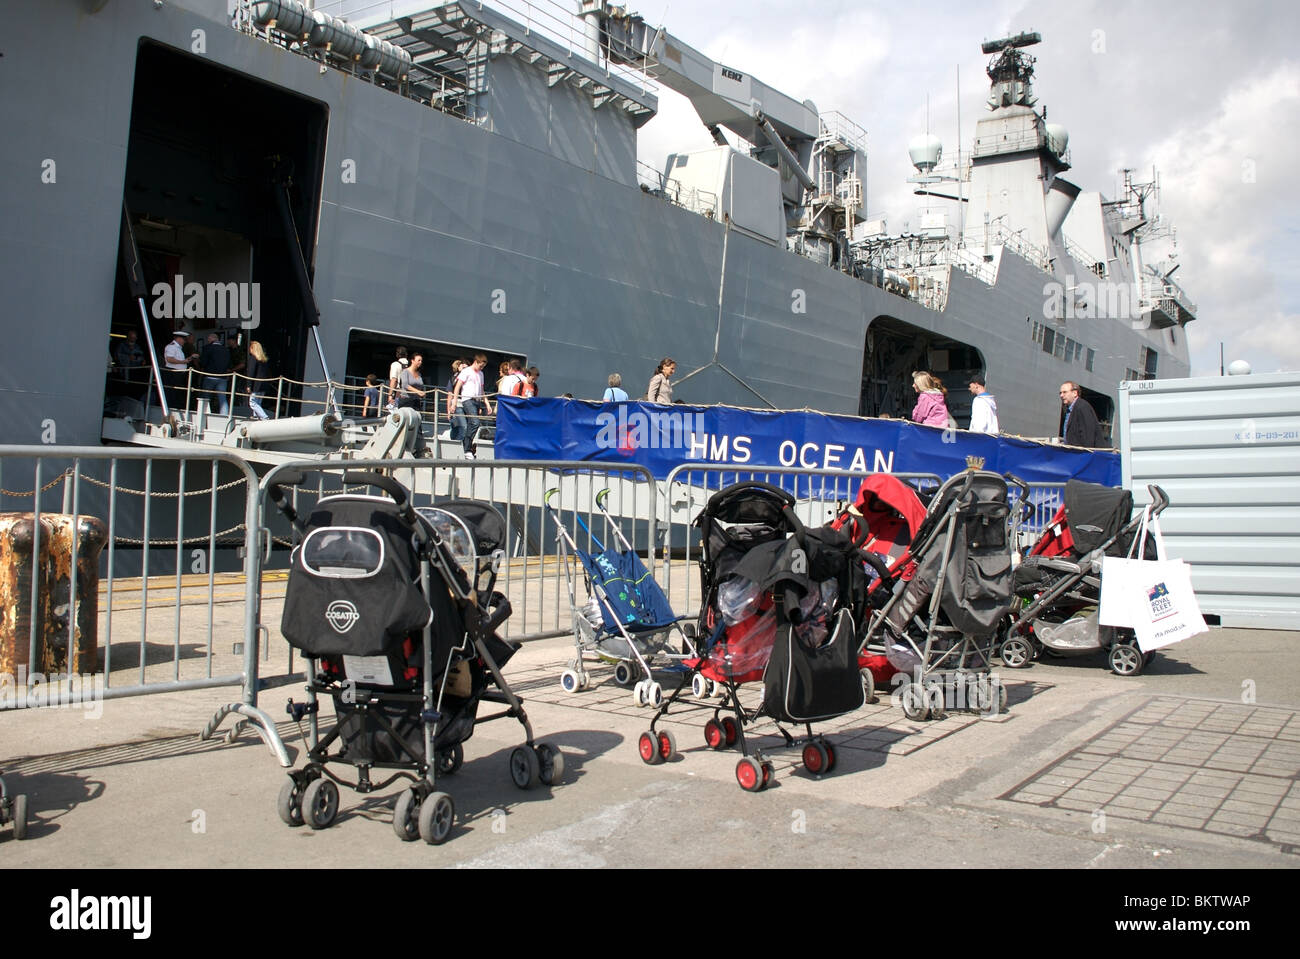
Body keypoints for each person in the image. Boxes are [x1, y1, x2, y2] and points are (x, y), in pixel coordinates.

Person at [451, 353, 489, 458]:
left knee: (472, 424)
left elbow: (482, 390)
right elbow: (457, 386)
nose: (482, 368)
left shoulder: (481, 374)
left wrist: (487, 403)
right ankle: (467, 448)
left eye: (483, 367)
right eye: (481, 365)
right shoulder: (466, 371)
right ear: (476, 362)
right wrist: (454, 401)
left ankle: (467, 445)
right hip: (467, 399)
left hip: (477, 400)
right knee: (475, 422)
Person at [1060, 381, 1103, 447]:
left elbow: (1088, 435)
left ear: (1075, 393)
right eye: (1060, 393)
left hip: (1082, 454)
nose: (1061, 395)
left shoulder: (1082, 407)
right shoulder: (1070, 409)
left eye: (1064, 392)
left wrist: (1084, 455)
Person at [163, 329, 196, 409]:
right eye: (184, 339)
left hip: (178, 374)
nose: (184, 341)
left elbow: (181, 361)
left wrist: (191, 358)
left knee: (177, 393)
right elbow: (169, 359)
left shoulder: (178, 348)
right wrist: (182, 362)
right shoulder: (171, 347)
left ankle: (176, 407)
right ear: (178, 339)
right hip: (173, 373)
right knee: (173, 393)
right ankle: (172, 408)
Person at [245, 340, 273, 420]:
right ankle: (256, 416)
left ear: (253, 349)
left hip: (256, 384)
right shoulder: (264, 359)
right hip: (264, 384)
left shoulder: (253, 358)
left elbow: (251, 372)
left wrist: (248, 385)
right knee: (258, 402)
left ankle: (264, 417)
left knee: (252, 402)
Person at [446, 358, 465, 440]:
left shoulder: (451, 379)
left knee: (455, 426)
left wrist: (448, 410)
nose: (464, 366)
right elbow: (450, 395)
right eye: (462, 364)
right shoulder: (460, 378)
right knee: (462, 427)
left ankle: (454, 441)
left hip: (457, 404)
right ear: (458, 367)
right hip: (458, 404)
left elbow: (449, 395)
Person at [386, 346, 409, 411]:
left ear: (397, 354)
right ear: (406, 354)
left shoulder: (395, 364)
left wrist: (390, 395)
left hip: (399, 394)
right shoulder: (411, 365)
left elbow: (394, 380)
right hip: (411, 394)